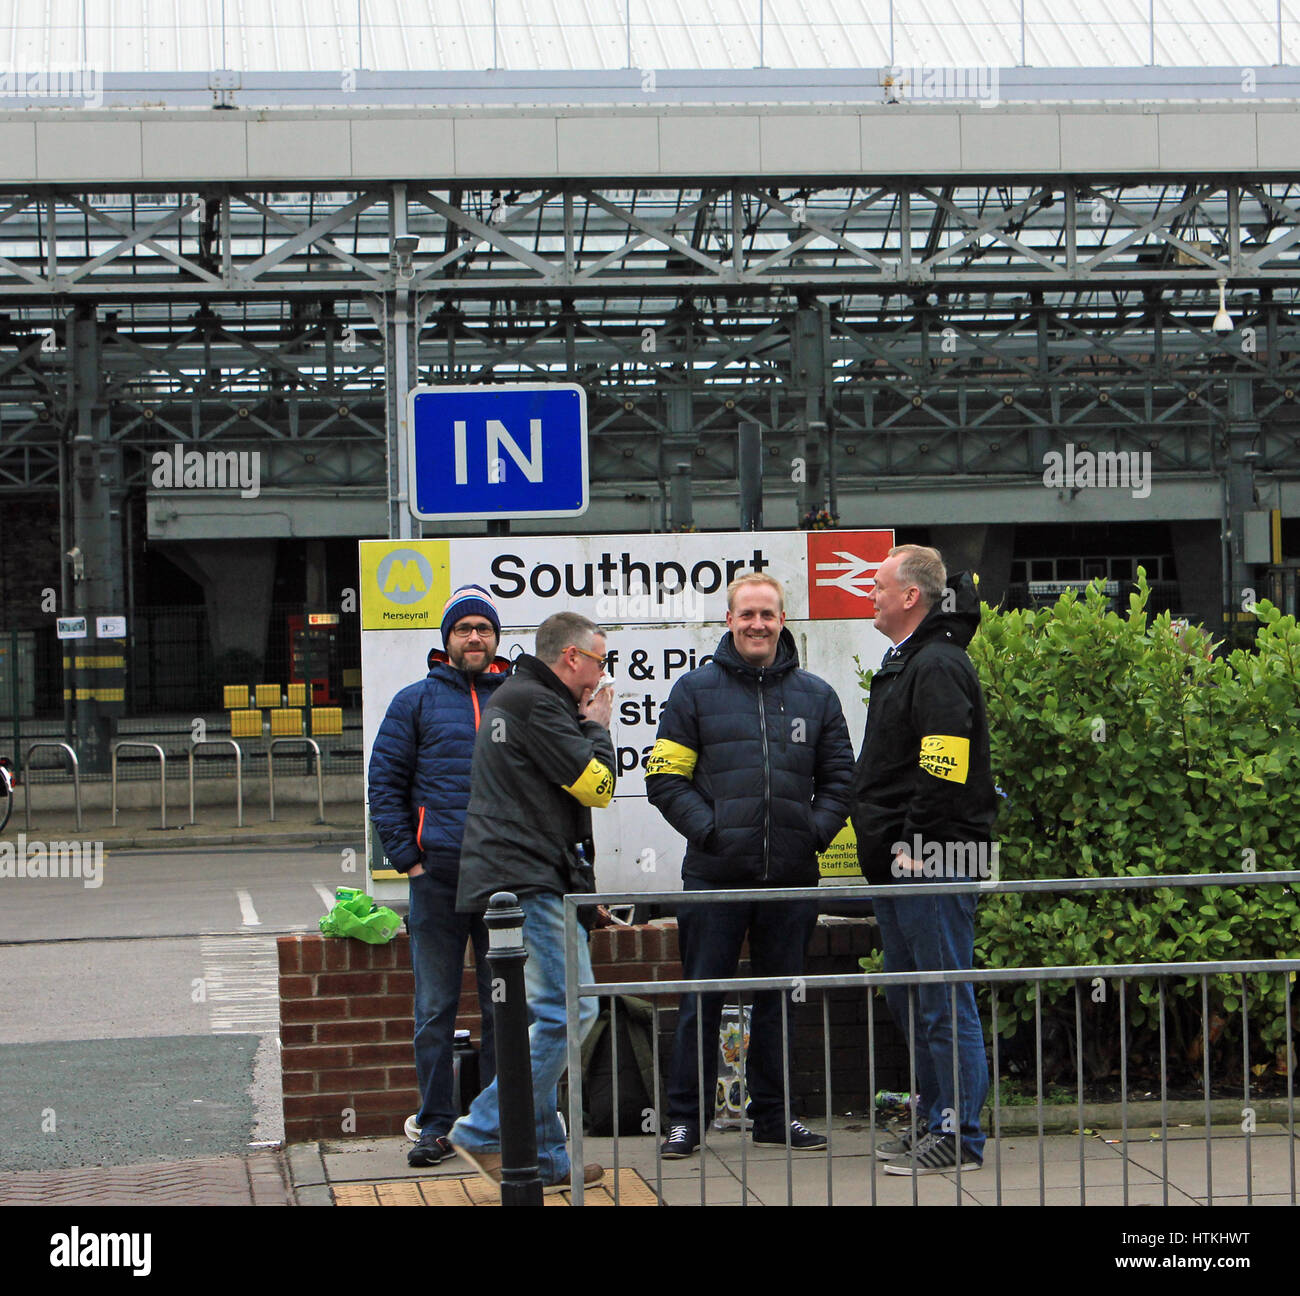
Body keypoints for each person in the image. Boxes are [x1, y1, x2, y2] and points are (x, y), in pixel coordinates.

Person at [645, 572, 854, 1158]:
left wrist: (810, 834)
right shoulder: (693, 692)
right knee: (700, 998)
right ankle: (685, 1120)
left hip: (790, 878)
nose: (757, 624)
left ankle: (775, 1116)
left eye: (768, 614)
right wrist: (712, 833)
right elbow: (664, 776)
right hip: (713, 876)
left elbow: (841, 780)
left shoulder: (817, 696)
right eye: (747, 615)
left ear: (783, 620)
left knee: (782, 998)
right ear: (729, 621)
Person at [448, 611, 616, 1194]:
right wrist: (598, 727)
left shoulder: (521, 698)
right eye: (599, 662)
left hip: (516, 876)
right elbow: (598, 786)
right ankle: (483, 1127)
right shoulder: (539, 705)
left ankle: (545, 1158)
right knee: (569, 1011)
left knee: (539, 1015)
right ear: (571, 657)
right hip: (528, 878)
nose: (601, 676)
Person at [848, 544, 997, 1176]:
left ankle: (960, 1134)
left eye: (879, 585)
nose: (871, 594)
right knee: (914, 997)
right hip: (909, 858)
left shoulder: (935, 664)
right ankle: (939, 1122)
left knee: (941, 997)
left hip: (932, 858)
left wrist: (912, 843)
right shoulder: (913, 660)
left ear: (912, 596)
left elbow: (945, 764)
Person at [367, 584, 510, 1168]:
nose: (473, 637)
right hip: (438, 881)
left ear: (496, 638)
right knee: (434, 1009)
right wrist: (410, 858)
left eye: (483, 628)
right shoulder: (415, 702)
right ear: (446, 639)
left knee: (507, 1006)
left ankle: (501, 1123)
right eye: (463, 628)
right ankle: (435, 1126)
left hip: (505, 883)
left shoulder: (518, 700)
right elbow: (385, 785)